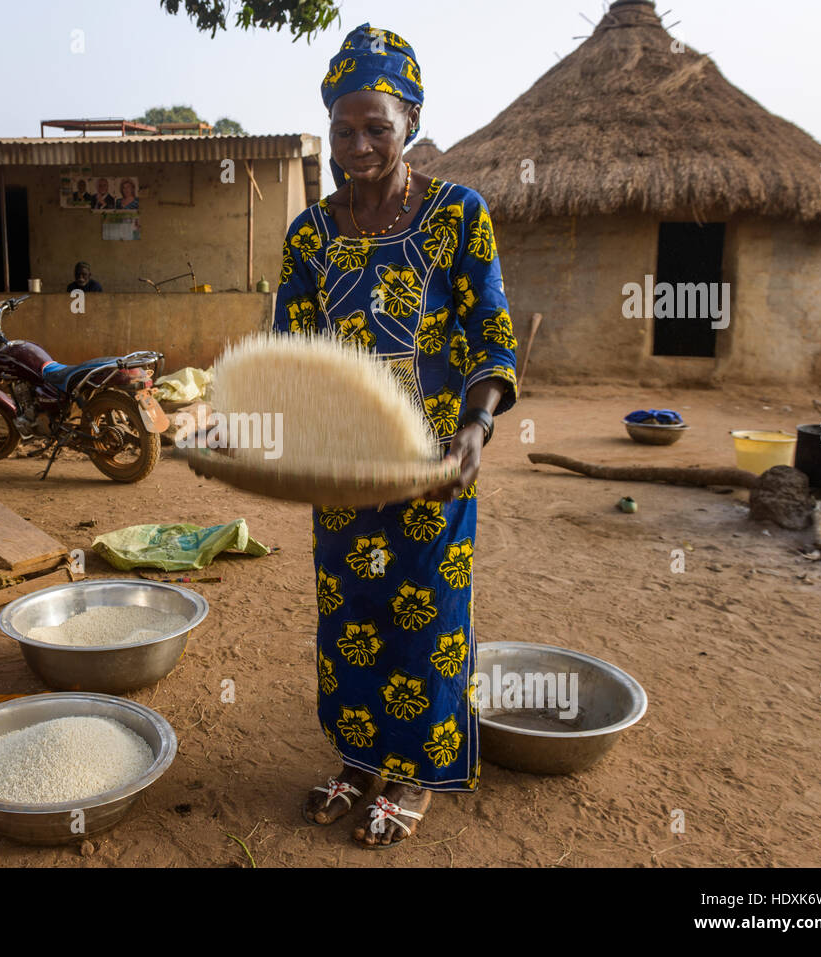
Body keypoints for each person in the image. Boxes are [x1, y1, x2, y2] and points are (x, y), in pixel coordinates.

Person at [280, 24, 518, 847]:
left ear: (410, 118)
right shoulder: (310, 237)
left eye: (376, 126)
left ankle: (413, 773)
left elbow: (493, 335)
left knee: (427, 620)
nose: (358, 145)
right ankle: (355, 763)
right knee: (349, 616)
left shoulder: (459, 216)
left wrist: (478, 426)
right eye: (343, 130)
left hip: (435, 469)